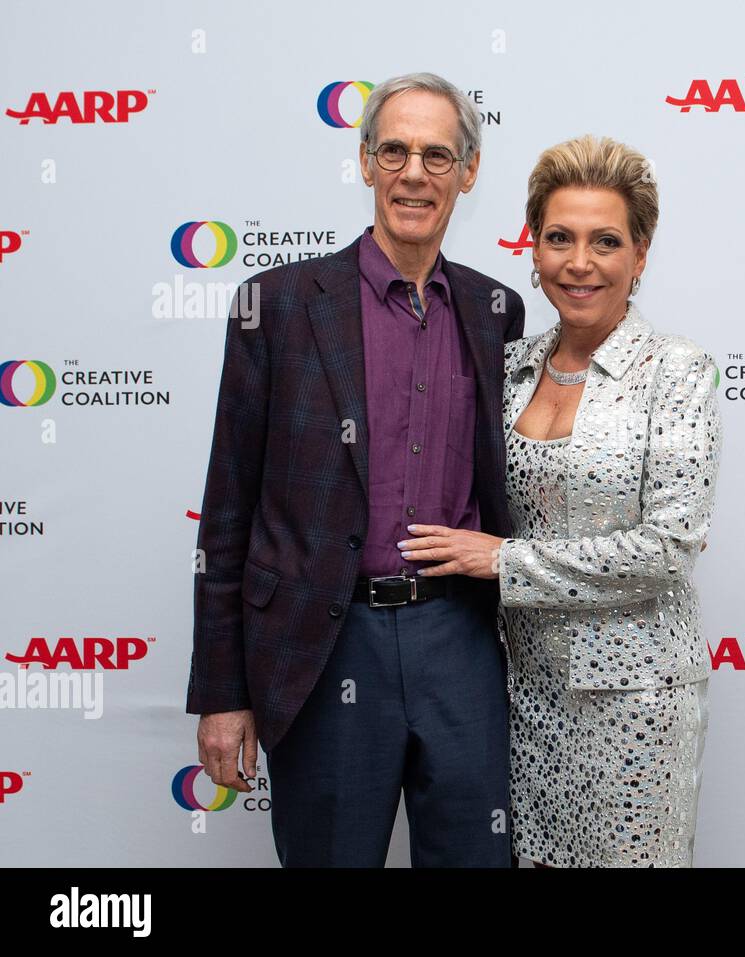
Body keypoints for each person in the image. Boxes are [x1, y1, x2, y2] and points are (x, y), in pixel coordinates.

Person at [187, 72, 525, 867]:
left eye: (438, 155)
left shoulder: (498, 311)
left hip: (462, 645)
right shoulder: (276, 305)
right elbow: (227, 509)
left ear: (468, 173)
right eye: (396, 150)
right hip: (326, 646)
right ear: (366, 160)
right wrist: (221, 691)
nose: (415, 173)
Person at [398, 135, 722, 866]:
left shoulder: (676, 370)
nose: (580, 262)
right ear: (534, 250)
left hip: (638, 698)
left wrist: (504, 560)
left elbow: (669, 547)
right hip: (521, 695)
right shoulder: (507, 364)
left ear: (640, 255)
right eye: (560, 238)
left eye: (606, 241)